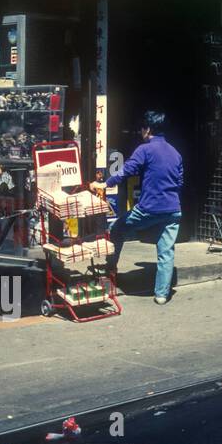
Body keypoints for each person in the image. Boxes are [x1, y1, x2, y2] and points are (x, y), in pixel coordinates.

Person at [91, 111, 184, 304]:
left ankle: (110, 270)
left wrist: (105, 184)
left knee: (116, 229)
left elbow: (127, 169)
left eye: (142, 128)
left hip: (149, 208)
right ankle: (161, 294)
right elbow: (180, 181)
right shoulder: (175, 153)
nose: (140, 132)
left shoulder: (145, 149)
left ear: (147, 129)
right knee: (166, 251)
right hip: (173, 209)